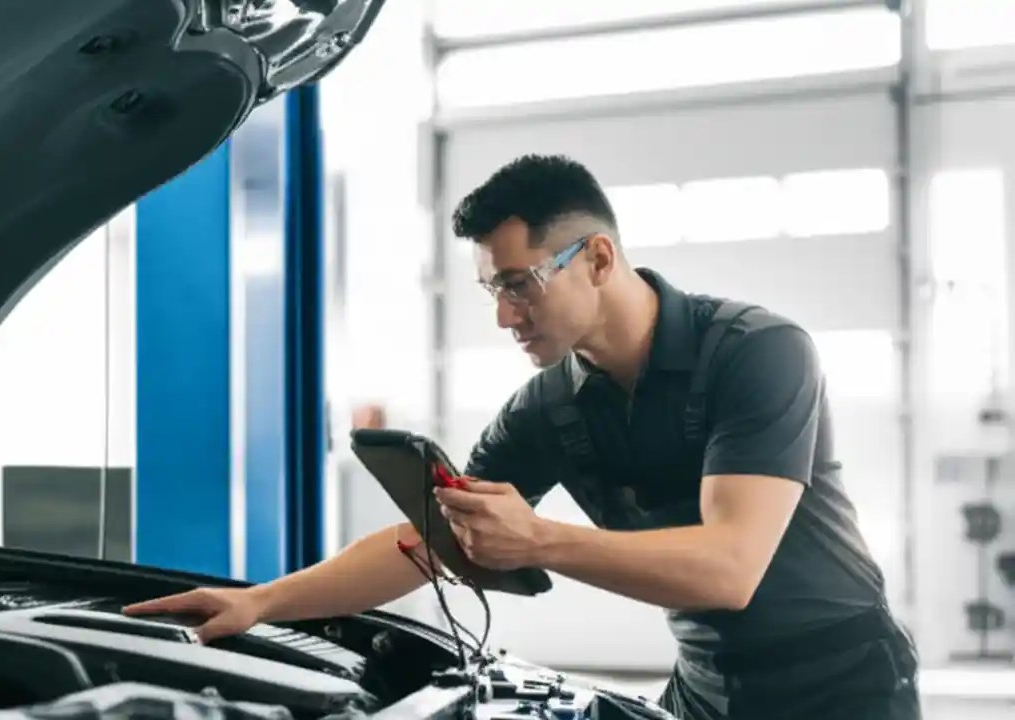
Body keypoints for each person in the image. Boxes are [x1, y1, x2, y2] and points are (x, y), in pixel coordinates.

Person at [124, 154, 921, 719]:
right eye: (491, 290)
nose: (504, 315)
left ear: (598, 257)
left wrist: (537, 539)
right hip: (705, 685)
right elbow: (436, 540)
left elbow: (729, 568)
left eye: (518, 283)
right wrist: (264, 601)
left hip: (842, 682)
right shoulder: (547, 407)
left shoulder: (757, 351)